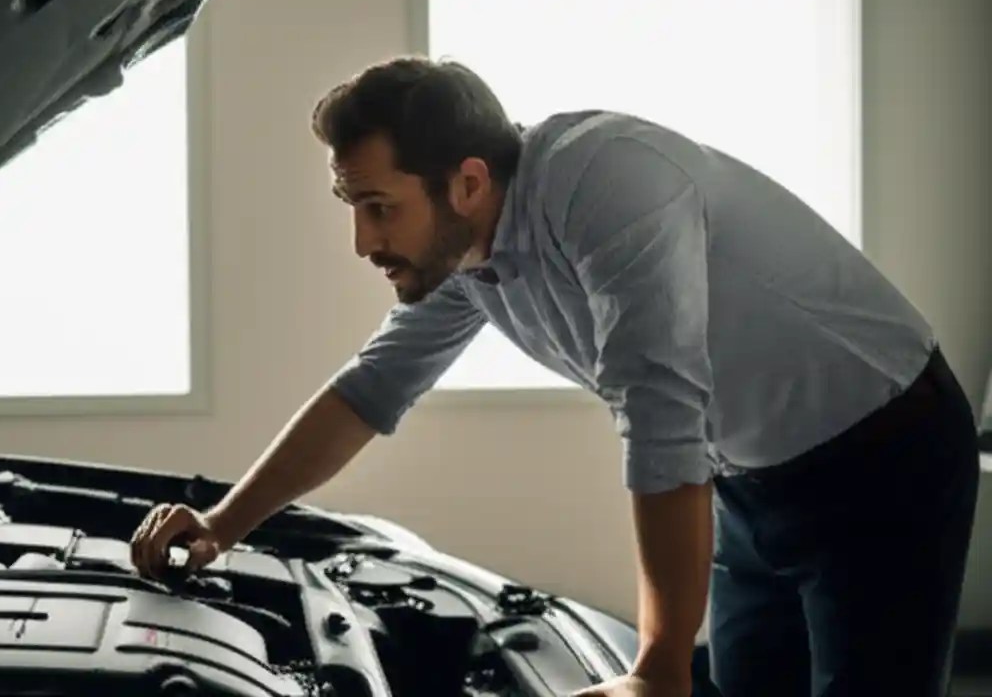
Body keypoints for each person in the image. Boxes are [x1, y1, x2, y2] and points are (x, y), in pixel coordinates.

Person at [129, 56, 980, 697]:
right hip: (747, 485)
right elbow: (367, 392)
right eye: (352, 207)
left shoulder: (610, 184)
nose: (363, 241)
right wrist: (223, 523)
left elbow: (660, 410)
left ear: (466, 181)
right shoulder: (470, 254)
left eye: (379, 206)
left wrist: (654, 667)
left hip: (882, 460)